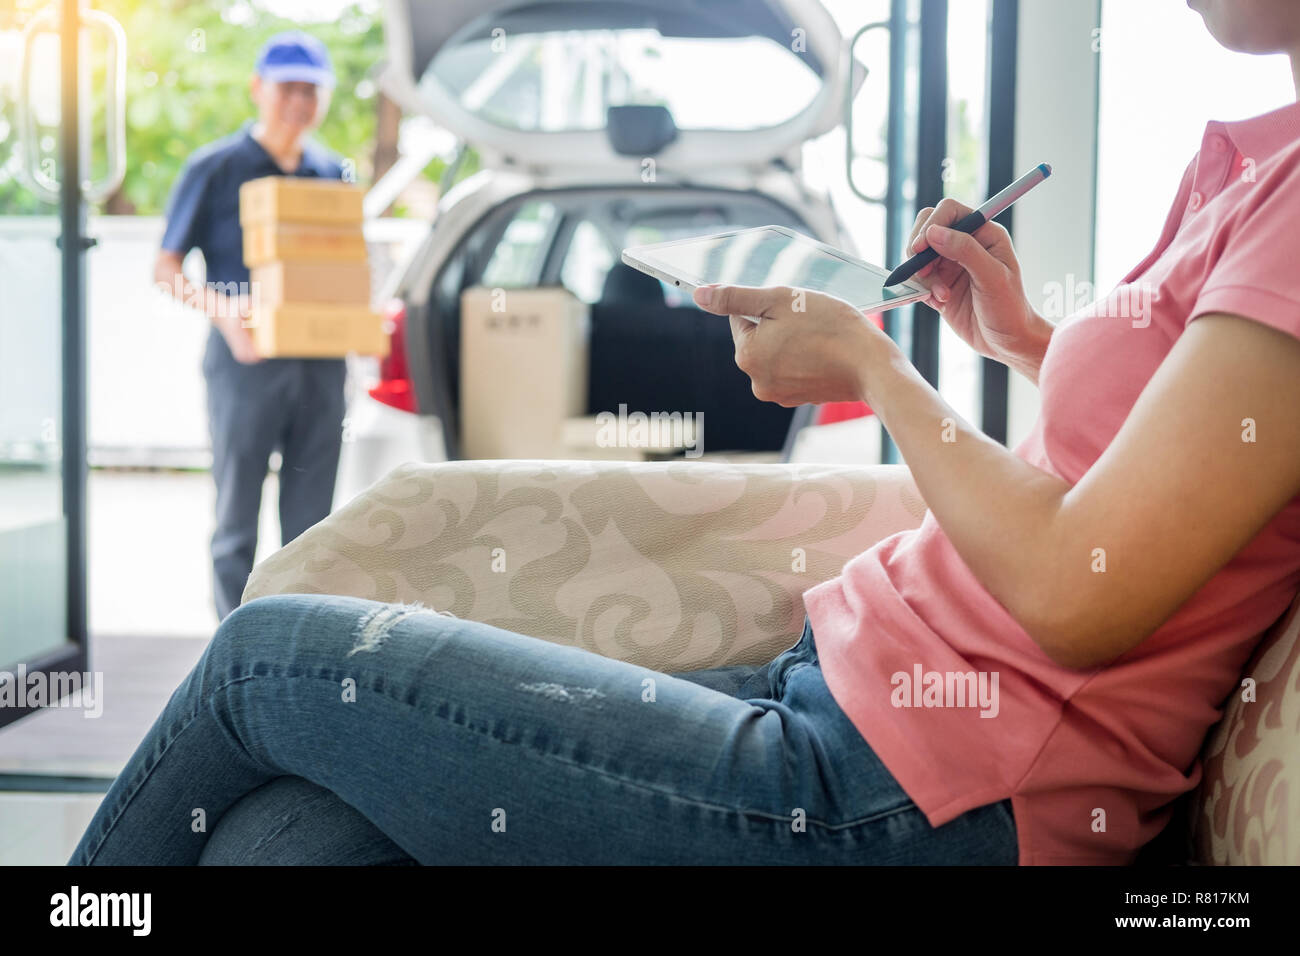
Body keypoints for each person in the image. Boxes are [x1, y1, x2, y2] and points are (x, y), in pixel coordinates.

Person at [72, 0, 1300, 865]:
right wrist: (1021, 341)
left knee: (264, 657)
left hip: (914, 790)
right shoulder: (1250, 168)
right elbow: (1160, 466)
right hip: (840, 697)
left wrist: (874, 367)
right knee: (284, 841)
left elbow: (1081, 587)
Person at [153, 31, 348, 621]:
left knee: (313, 522)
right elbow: (165, 269)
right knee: (237, 519)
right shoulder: (214, 167)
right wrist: (225, 314)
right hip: (246, 363)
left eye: (311, 89)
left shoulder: (330, 171)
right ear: (257, 88)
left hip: (321, 364)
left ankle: (298, 647)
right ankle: (232, 649)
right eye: (288, 86)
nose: (300, 100)